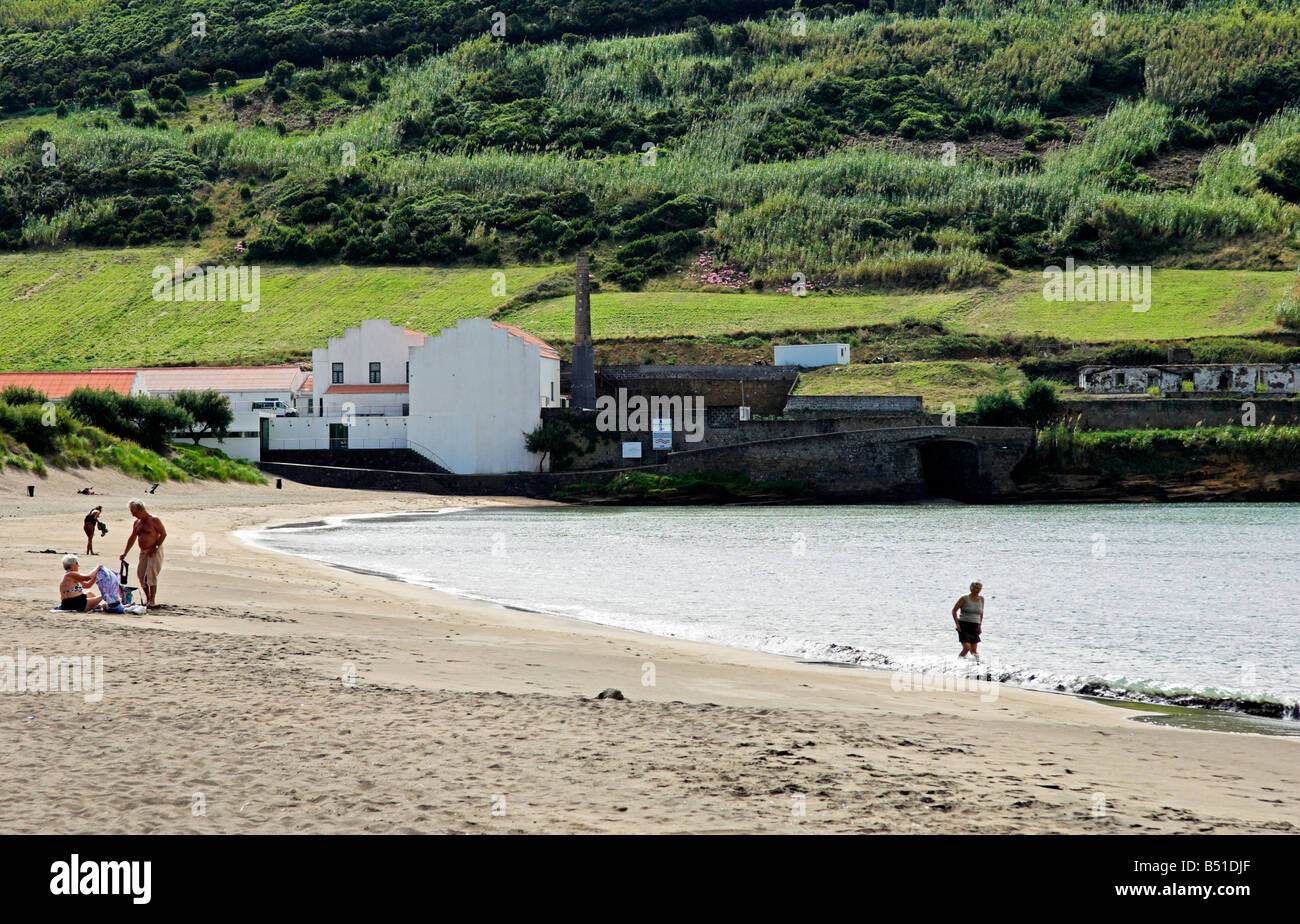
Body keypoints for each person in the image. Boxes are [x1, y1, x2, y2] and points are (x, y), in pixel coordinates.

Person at [121, 499, 166, 608]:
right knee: (140, 575)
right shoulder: (137, 523)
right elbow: (132, 537)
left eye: (134, 512)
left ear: (140, 510)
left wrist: (155, 547)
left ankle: (152, 600)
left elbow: (163, 533)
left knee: (151, 574)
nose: (133, 515)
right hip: (144, 552)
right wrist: (125, 552)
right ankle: (148, 597)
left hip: (155, 550)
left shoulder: (154, 520)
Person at [951, 580, 985, 663]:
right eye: (977, 588)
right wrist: (957, 624)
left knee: (974, 651)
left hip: (975, 626)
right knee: (967, 647)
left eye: (980, 588)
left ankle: (977, 666)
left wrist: (980, 626)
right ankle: (957, 664)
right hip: (964, 625)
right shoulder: (964, 598)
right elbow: (954, 611)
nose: (978, 590)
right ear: (972, 588)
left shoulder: (981, 599)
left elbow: (981, 613)